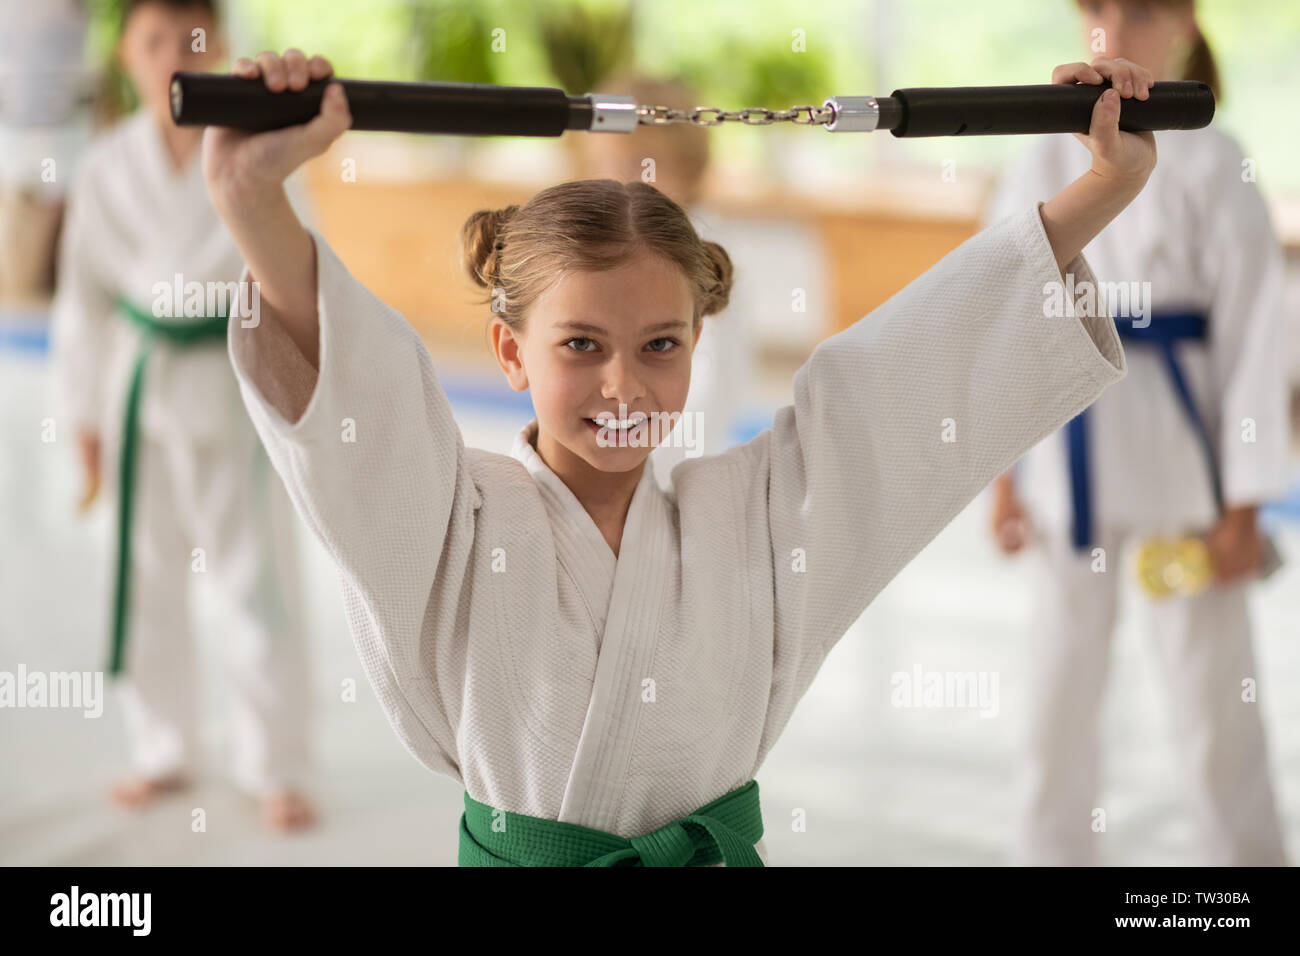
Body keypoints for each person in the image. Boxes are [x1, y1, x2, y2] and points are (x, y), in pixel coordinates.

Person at [202, 47, 1152, 865]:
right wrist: (252, 193)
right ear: (509, 354)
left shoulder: (757, 517)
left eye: (661, 345)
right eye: (580, 346)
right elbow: (361, 402)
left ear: (699, 344)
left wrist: (1103, 187)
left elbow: (891, 387)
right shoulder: (460, 520)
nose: (623, 387)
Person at [986, 0, 1288, 865]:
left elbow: (1256, 339)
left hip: (1183, 473)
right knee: (1056, 698)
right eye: (1097, 7)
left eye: (1143, 10)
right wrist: (1003, 474)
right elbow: (1002, 314)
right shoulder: (1040, 152)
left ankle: (1243, 870)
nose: (1115, 30)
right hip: (1064, 461)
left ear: (1187, 21)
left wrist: (1246, 503)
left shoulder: (1218, 159)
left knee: (1212, 703)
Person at [49, 0, 316, 831]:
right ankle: (162, 744)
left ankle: (274, 760)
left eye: (192, 39)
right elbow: (82, 303)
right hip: (139, 389)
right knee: (146, 574)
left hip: (232, 383)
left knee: (252, 580)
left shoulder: (257, 149)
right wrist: (83, 417)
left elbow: (301, 273)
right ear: (125, 53)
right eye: (154, 39)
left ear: (222, 47)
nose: (173, 55)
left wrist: (302, 391)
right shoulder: (105, 165)